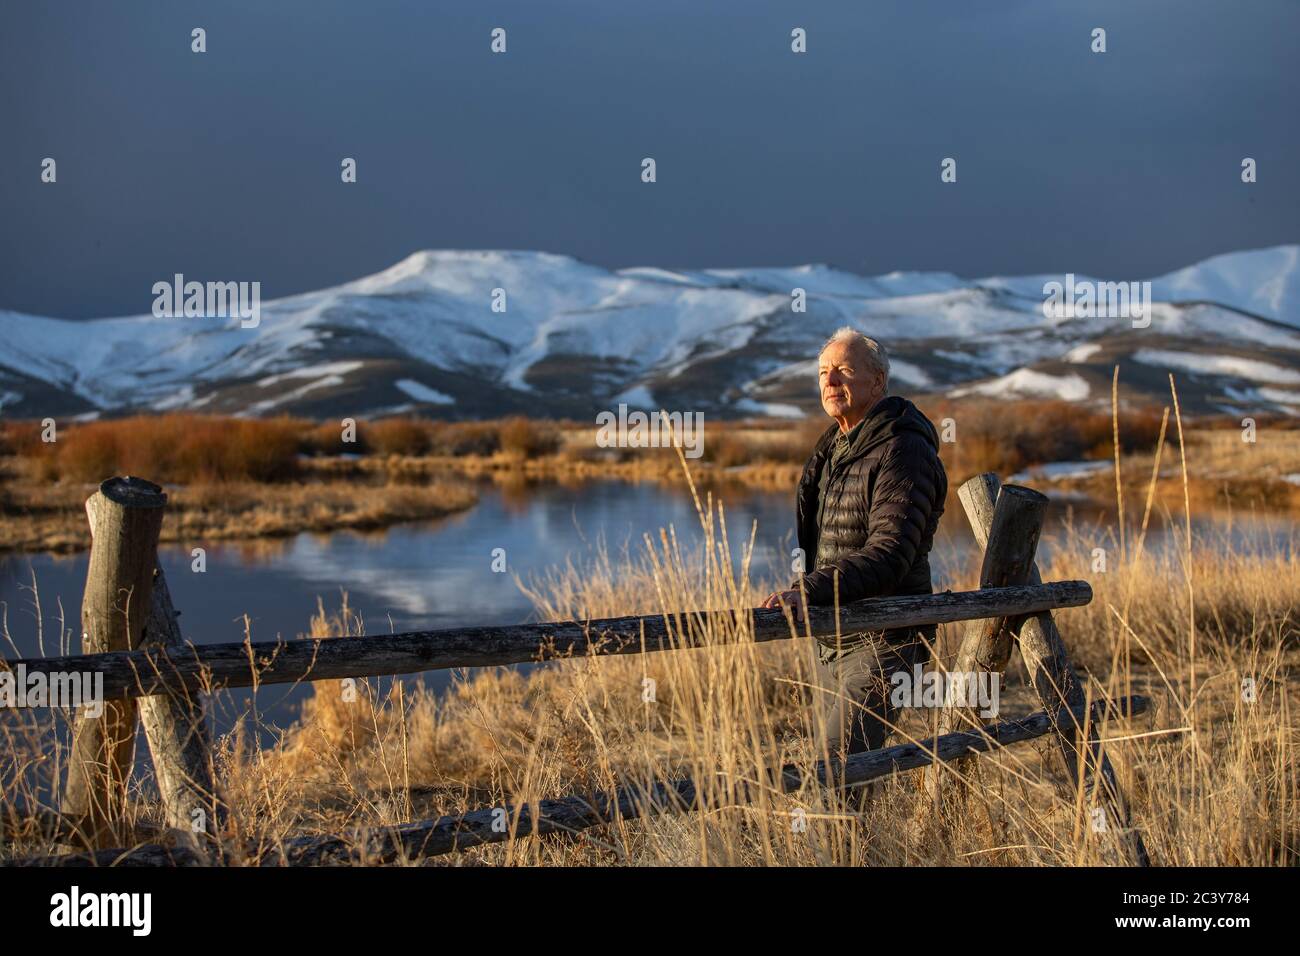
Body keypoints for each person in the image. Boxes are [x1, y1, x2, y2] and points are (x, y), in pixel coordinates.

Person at [762, 327, 948, 757]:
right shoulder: (834, 449)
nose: (830, 382)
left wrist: (809, 590)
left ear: (877, 382)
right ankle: (862, 830)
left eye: (844, 371)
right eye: (824, 372)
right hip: (832, 638)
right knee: (847, 778)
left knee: (835, 769)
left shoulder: (905, 450)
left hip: (885, 641)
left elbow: (891, 553)